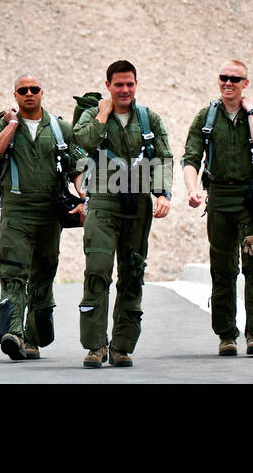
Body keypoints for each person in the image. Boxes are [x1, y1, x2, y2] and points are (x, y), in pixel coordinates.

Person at [71, 59, 173, 368]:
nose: (124, 90)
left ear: (136, 85)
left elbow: (165, 156)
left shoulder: (148, 119)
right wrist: (102, 115)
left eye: (129, 84)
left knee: (132, 274)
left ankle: (122, 346)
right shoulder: (92, 115)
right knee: (98, 270)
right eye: (118, 84)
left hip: (138, 203)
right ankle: (95, 346)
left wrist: (161, 192)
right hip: (103, 200)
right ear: (108, 86)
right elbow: (83, 142)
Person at [0, 73, 87, 361]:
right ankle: (12, 333)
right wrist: (12, 126)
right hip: (16, 212)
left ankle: (33, 337)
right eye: (22, 90)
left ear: (42, 92)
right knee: (13, 273)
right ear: (15, 95)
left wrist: (85, 196)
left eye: (34, 89)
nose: (29, 93)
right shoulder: (1, 125)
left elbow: (77, 167)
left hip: (49, 214)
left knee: (44, 272)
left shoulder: (60, 128)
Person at [182, 59, 253, 357]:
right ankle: (226, 335)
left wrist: (250, 111)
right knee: (222, 270)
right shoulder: (206, 117)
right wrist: (192, 189)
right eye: (224, 77)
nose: (228, 83)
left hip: (252, 202)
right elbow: (190, 158)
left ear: (245, 83)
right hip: (220, 201)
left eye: (235, 79)